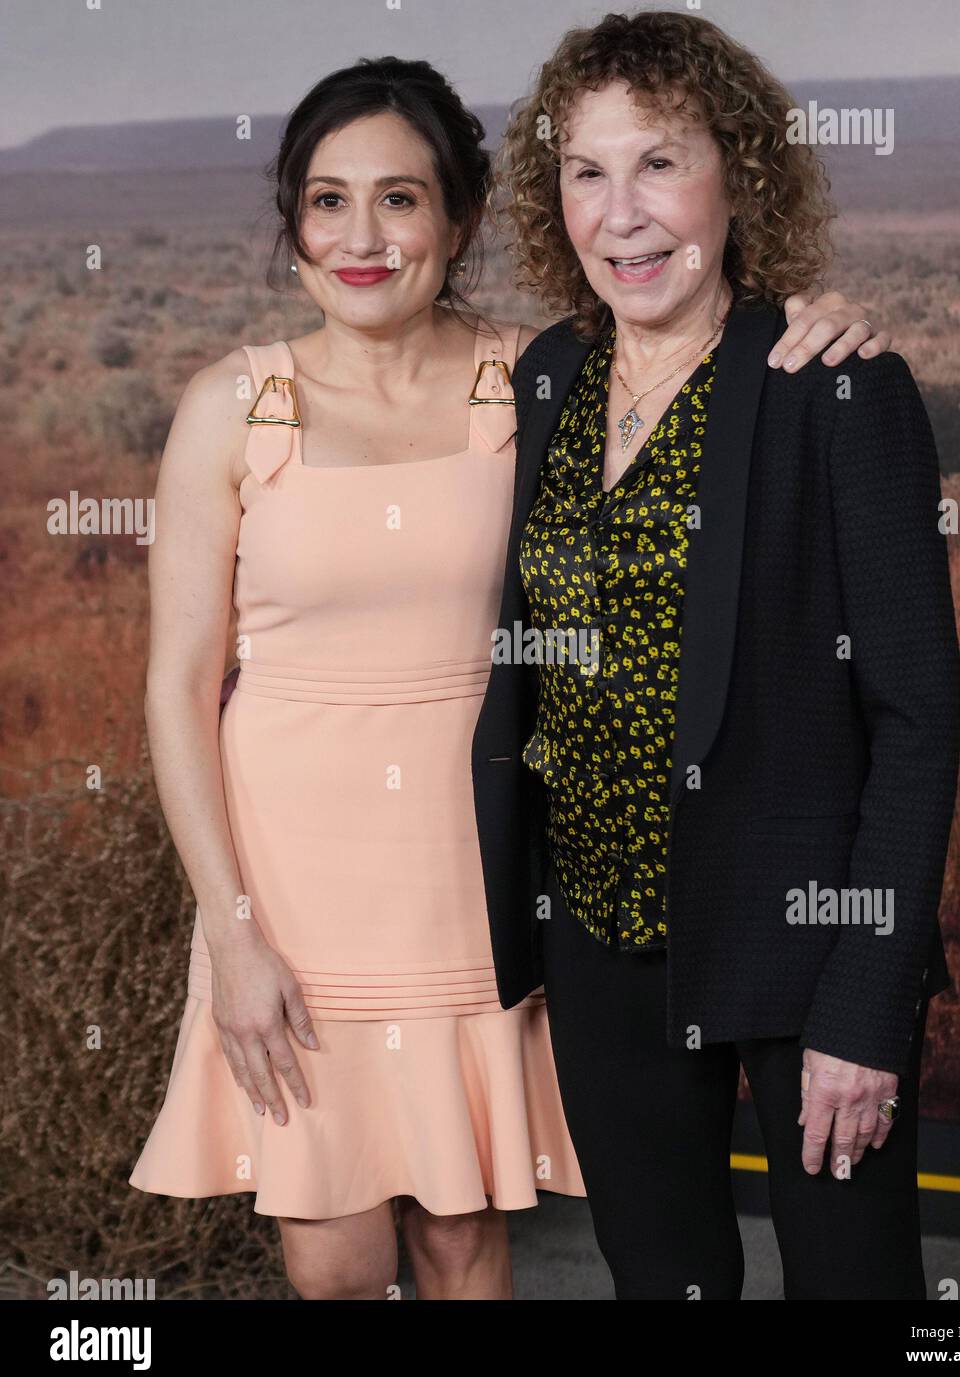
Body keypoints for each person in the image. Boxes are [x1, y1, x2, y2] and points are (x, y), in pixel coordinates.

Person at [128, 53, 894, 1300]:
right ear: (294, 226)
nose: (363, 237)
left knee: (463, 1242)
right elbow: (177, 688)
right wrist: (230, 927)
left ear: (460, 218)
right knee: (331, 1261)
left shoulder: (530, 380)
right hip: (294, 896)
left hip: (479, 888)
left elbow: (696, 352)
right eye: (328, 201)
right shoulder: (229, 407)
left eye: (400, 198)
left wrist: (821, 318)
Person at [472, 11, 960, 1300]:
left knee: (856, 1287)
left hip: (802, 943)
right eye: (586, 171)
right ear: (551, 195)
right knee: (663, 1281)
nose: (621, 214)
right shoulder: (546, 378)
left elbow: (915, 720)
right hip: (601, 937)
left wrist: (867, 1007)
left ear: (736, 174)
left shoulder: (833, 385)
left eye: (658, 163)